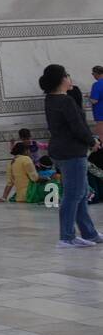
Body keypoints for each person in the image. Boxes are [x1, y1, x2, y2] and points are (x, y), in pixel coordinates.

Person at [41, 64, 103, 248]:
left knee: (80, 192)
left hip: (60, 150)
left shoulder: (50, 99)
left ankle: (89, 233)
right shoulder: (65, 101)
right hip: (72, 152)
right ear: (61, 80)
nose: (70, 79)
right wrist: (93, 142)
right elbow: (77, 127)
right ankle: (66, 236)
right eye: (67, 75)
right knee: (73, 194)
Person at [91, 66, 103, 141]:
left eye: (93, 73)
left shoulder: (97, 84)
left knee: (101, 137)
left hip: (100, 115)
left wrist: (89, 97)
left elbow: (94, 100)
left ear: (96, 73)